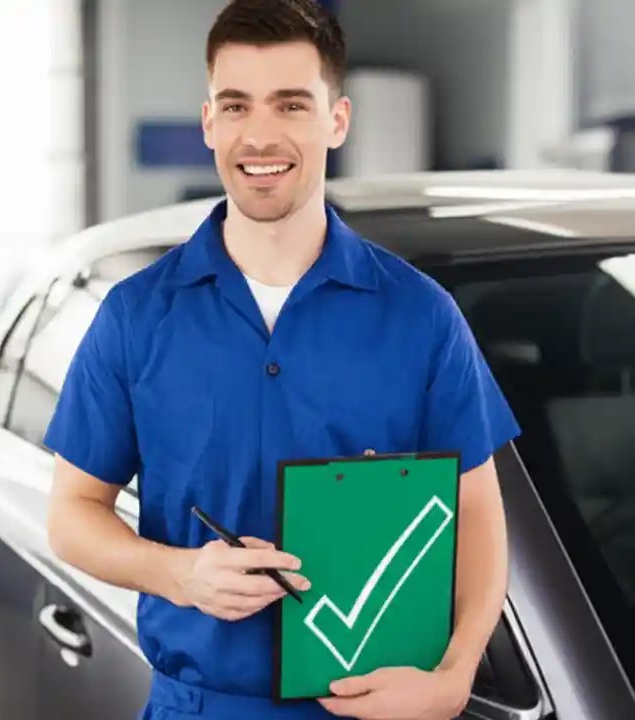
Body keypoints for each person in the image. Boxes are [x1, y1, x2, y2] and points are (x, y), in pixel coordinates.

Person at [42, 1, 521, 718]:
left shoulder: (421, 317)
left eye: (291, 104)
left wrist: (454, 676)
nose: (259, 134)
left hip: (372, 705)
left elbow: (476, 512)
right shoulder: (135, 318)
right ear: (210, 123)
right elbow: (73, 513)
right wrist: (180, 575)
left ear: (337, 120)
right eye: (236, 105)